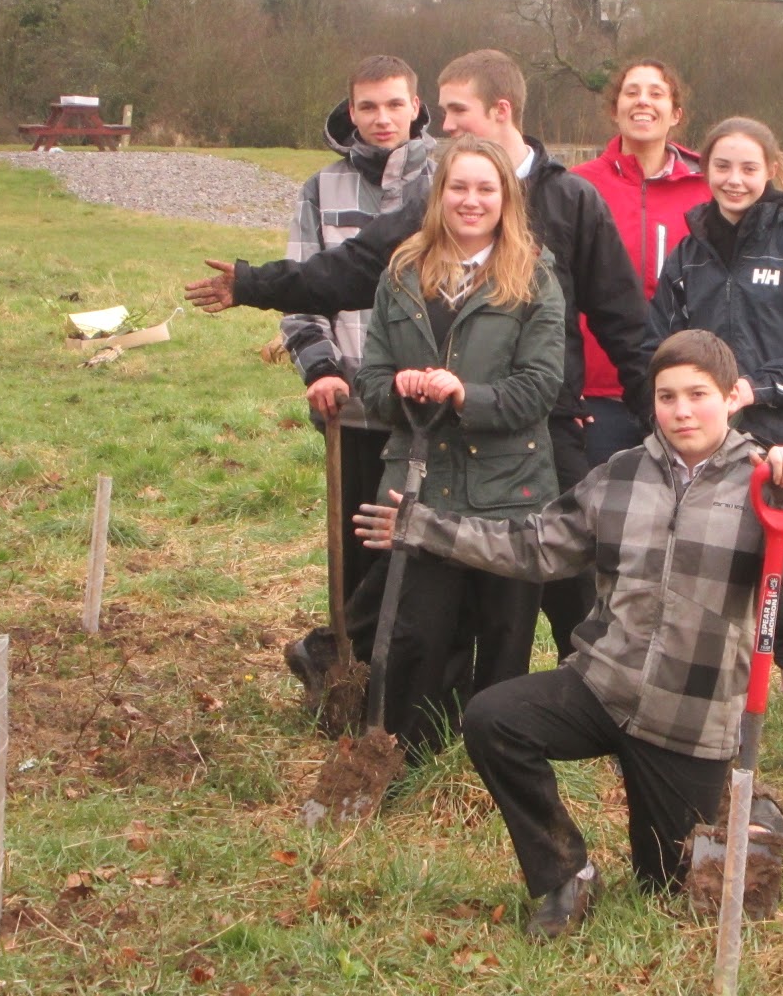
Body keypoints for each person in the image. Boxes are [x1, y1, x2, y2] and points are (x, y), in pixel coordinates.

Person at [354, 330, 783, 939]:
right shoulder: (620, 476)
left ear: (732, 397)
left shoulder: (763, 479)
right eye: (667, 396)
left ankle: (758, 817)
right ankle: (565, 875)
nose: (682, 410)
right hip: (603, 685)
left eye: (698, 394)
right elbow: (534, 546)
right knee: (493, 719)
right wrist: (423, 527)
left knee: (665, 885)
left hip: (689, 717)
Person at [185, 50, 649, 664]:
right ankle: (353, 667)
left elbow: (625, 324)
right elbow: (350, 270)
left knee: (566, 578)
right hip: (441, 430)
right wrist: (254, 284)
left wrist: (670, 418)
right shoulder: (438, 198)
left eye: (457, 111)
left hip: (538, 425)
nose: (444, 124)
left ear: (499, 111)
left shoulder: (571, 201)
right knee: (423, 573)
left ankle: (597, 702)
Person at [647, 117, 783, 813]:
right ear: (703, 169)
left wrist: (758, 389)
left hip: (781, 447)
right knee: (720, 597)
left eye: (748, 167)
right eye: (721, 167)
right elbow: (660, 347)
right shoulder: (687, 254)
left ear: (771, 169)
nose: (734, 180)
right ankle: (723, 752)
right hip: (700, 453)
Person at [353, 134, 565, 756]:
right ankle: (413, 757)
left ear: (507, 198)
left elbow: (539, 389)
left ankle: (495, 764)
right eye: (458, 188)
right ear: (439, 194)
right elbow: (370, 380)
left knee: (504, 635)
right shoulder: (401, 273)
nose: (471, 201)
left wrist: (462, 395)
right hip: (419, 484)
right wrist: (400, 387)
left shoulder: (534, 279)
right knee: (419, 632)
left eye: (485, 189)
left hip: (509, 492)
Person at [277, 56, 435, 617]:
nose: (382, 117)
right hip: (353, 407)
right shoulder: (321, 188)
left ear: (417, 107)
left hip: (431, 407)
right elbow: (301, 287)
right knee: (358, 552)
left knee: (424, 552)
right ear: (351, 111)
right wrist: (320, 368)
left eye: (395, 104)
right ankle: (349, 667)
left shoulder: (448, 179)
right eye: (368, 106)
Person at [572, 59, 710, 467]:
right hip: (598, 393)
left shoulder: (708, 189)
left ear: (676, 113)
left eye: (656, 93)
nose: (642, 102)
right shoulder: (578, 186)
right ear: (614, 110)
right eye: (631, 93)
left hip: (685, 393)